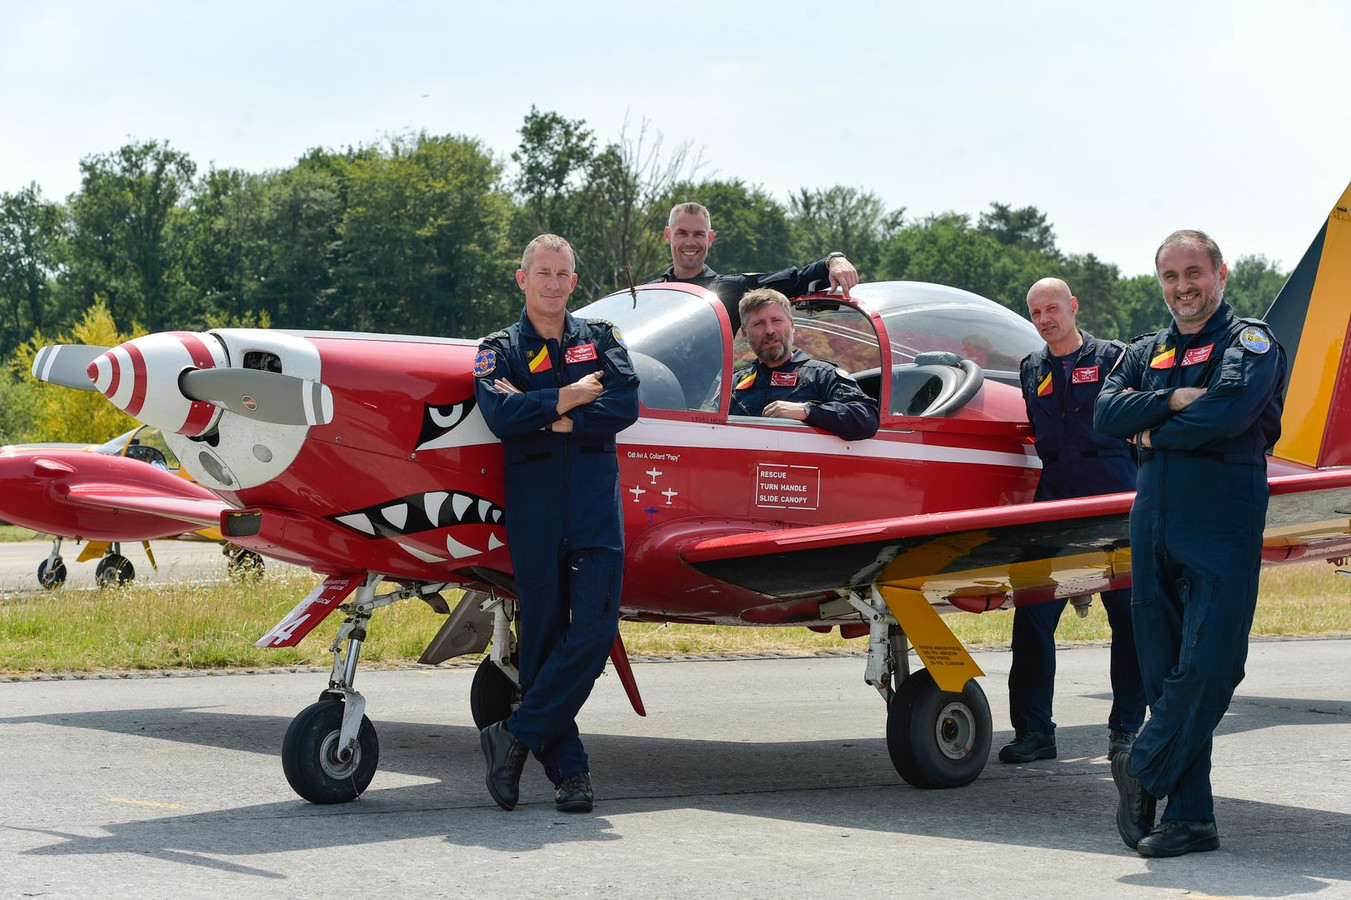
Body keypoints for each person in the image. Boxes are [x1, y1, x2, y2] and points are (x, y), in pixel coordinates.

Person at [1095, 230, 1286, 858]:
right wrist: (1172, 399)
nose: (1184, 287)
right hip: (1152, 520)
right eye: (1172, 276)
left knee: (1212, 664)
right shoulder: (1144, 351)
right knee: (1163, 669)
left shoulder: (1250, 342)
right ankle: (1190, 817)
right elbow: (1105, 416)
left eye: (1195, 273)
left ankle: (1142, 764)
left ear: (1221, 274)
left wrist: (1148, 432)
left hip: (1223, 519)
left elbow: (1227, 414)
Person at [473, 233, 641, 814]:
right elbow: (500, 414)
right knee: (542, 639)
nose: (551, 283)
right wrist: (568, 396)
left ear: (574, 282)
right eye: (541, 272)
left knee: (594, 633)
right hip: (536, 509)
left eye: (561, 274)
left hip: (595, 504)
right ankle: (571, 772)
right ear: (522, 279)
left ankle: (514, 736)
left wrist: (554, 414)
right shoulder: (497, 350)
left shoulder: (602, 339)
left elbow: (625, 404)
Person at [1002, 278, 1146, 764]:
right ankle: (1034, 733)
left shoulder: (1116, 359)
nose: (1045, 319)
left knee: (1128, 620)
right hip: (1054, 507)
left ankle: (1126, 729)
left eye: (1053, 309)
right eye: (1036, 312)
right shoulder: (1031, 368)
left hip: (1115, 505)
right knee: (1033, 616)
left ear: (1073, 307)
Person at [656, 202, 860, 332]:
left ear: (710, 238)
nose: (690, 242)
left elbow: (795, 281)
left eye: (699, 234)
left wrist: (833, 260)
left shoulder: (728, 291)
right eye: (682, 233)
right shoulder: (647, 295)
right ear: (668, 235)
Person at [728, 288, 879, 441]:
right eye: (759, 324)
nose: (769, 330)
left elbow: (866, 418)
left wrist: (807, 411)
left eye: (776, 320)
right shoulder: (733, 384)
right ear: (745, 333)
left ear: (792, 325)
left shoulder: (822, 375)